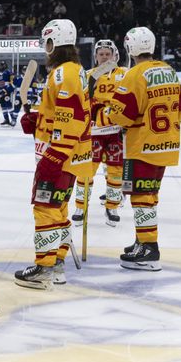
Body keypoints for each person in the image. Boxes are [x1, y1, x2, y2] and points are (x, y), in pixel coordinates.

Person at [15, 19, 94, 289]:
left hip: (61, 156)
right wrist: (37, 120)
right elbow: (61, 113)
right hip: (70, 155)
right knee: (58, 208)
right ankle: (56, 263)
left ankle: (45, 268)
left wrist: (55, 155)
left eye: (47, 42)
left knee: (46, 208)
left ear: (55, 43)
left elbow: (71, 118)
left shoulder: (64, 74)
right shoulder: (70, 71)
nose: (45, 48)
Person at [102, 26, 181, 271]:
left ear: (129, 48)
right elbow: (179, 107)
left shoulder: (135, 74)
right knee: (149, 195)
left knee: (142, 198)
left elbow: (122, 115)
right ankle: (142, 239)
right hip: (166, 144)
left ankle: (149, 247)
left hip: (143, 146)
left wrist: (107, 111)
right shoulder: (168, 70)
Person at [74, 40, 128, 227]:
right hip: (93, 133)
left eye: (108, 53)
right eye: (101, 54)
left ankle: (111, 207)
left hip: (116, 133)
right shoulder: (88, 75)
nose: (105, 57)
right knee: (85, 172)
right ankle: (81, 207)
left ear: (115, 55)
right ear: (96, 56)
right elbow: (80, 102)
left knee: (115, 172)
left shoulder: (124, 74)